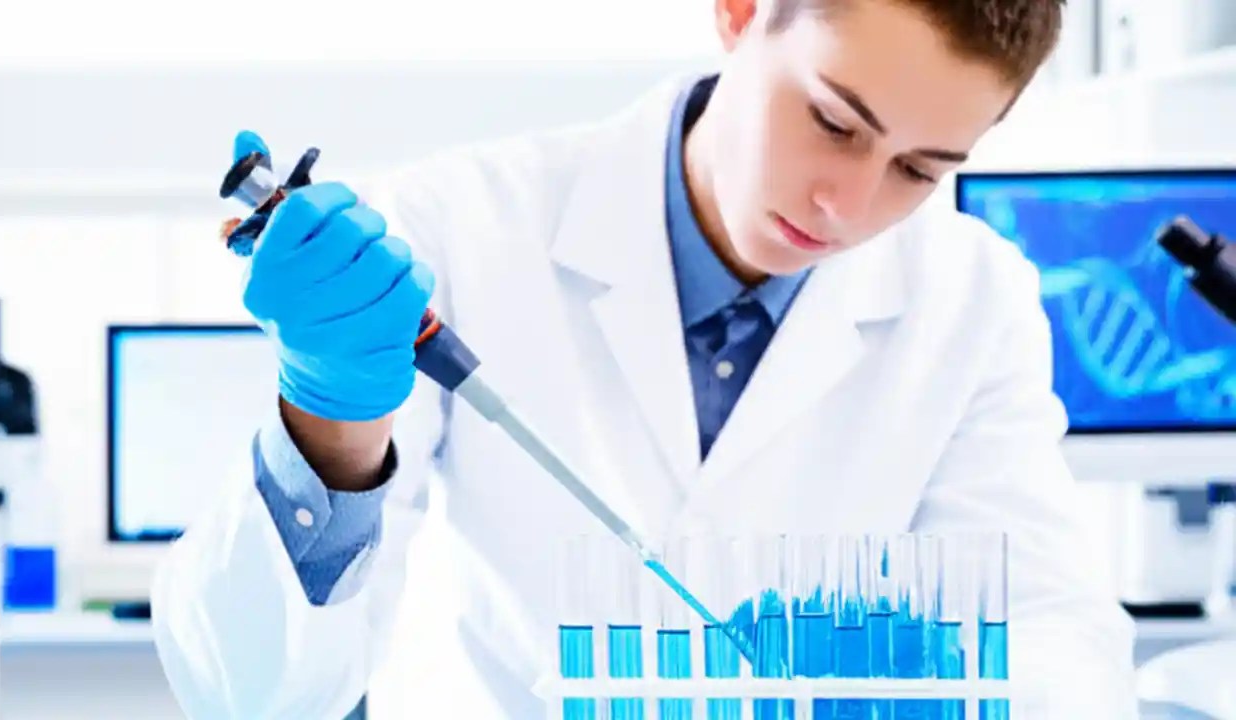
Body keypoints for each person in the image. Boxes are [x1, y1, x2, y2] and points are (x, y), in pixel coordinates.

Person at [151, 0, 1140, 717]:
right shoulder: (461, 227)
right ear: (741, 13)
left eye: (920, 169)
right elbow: (254, 693)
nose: (851, 203)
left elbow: (1051, 624)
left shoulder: (972, 296)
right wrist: (329, 429)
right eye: (833, 123)